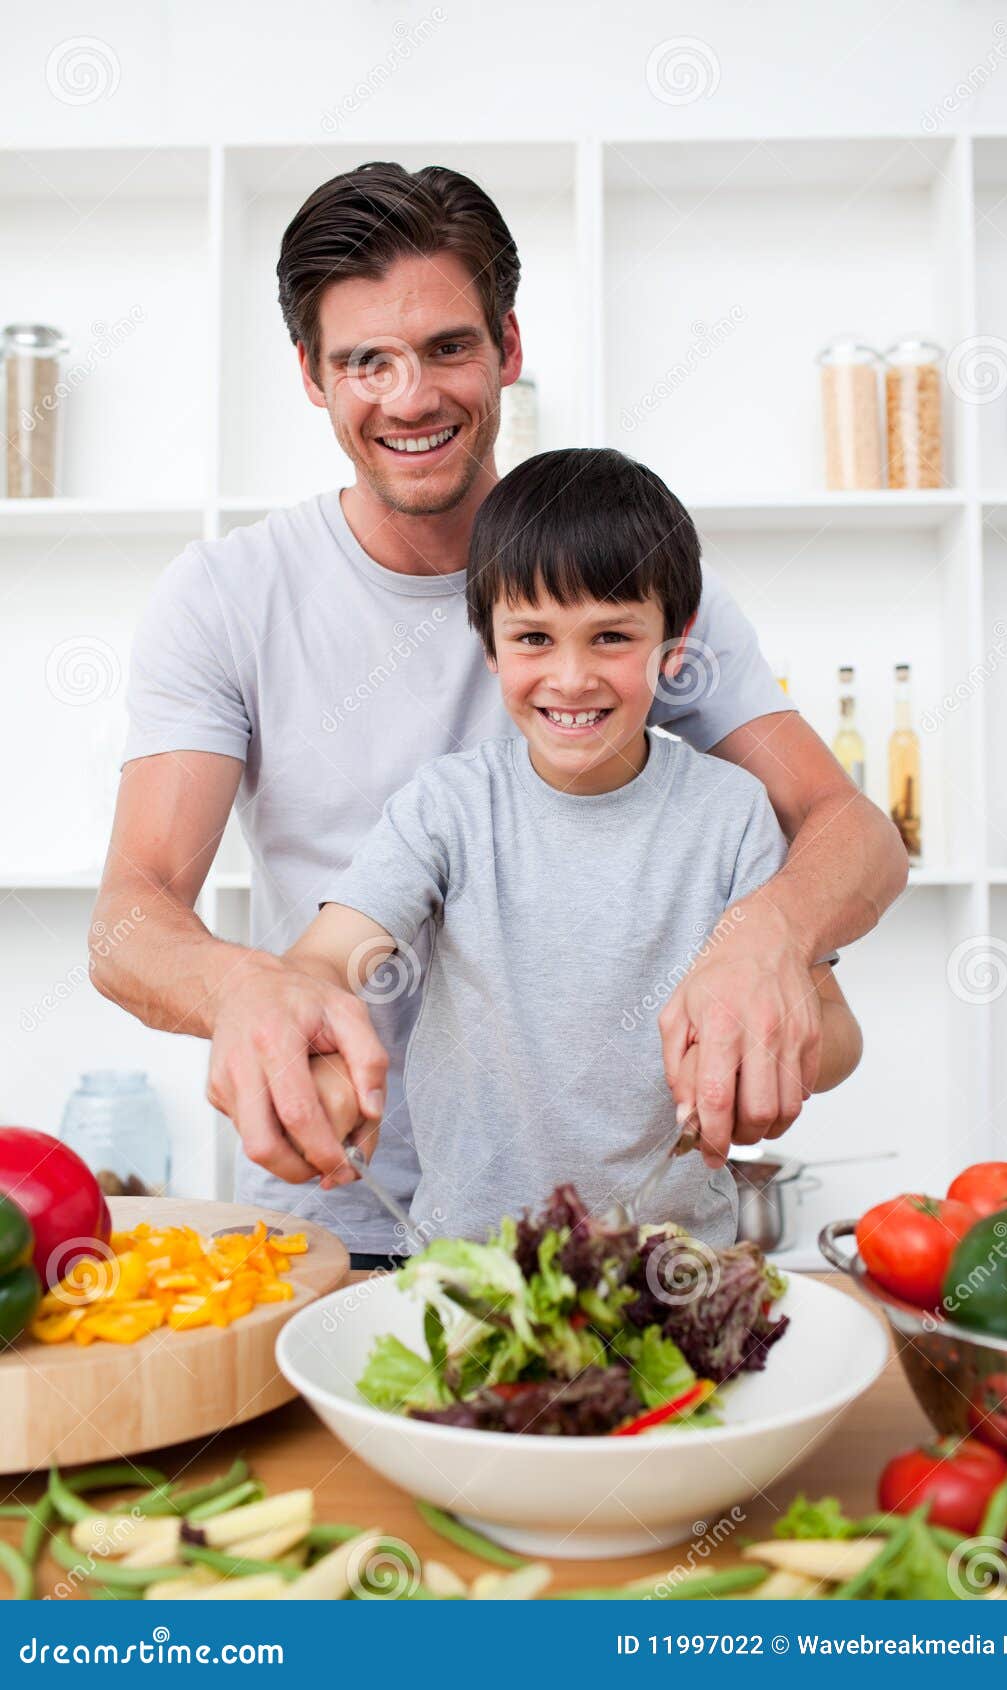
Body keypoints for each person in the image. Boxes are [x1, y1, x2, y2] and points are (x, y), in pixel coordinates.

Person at [90, 160, 905, 1269]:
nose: (410, 396)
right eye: (363, 360)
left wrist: (768, 941)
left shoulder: (629, 578)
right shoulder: (227, 595)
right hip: (341, 1219)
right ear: (311, 377)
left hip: (632, 1236)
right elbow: (129, 918)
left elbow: (848, 828)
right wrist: (251, 990)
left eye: (447, 348)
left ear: (508, 350)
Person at [283, 447, 862, 1248]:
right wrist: (310, 1045)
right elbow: (326, 958)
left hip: (677, 1271)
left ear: (676, 643)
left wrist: (771, 1051)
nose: (570, 677)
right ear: (487, 643)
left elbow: (836, 1035)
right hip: (470, 1275)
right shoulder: (448, 808)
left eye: (611, 636)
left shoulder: (732, 816)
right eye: (532, 639)